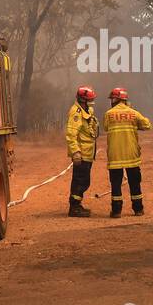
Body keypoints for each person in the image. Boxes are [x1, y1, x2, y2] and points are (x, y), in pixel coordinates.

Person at [103, 87, 151, 217]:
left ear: (117, 99)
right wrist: (135, 124)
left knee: (116, 184)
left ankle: (116, 211)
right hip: (131, 155)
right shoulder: (133, 113)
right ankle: (138, 209)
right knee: (135, 183)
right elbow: (147, 125)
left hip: (115, 155)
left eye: (112, 98)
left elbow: (106, 127)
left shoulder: (108, 114)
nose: (111, 101)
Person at [66, 86, 99, 217]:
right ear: (82, 100)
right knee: (80, 180)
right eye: (90, 100)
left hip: (88, 153)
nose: (92, 102)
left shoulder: (87, 110)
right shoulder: (76, 112)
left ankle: (77, 205)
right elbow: (71, 134)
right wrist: (75, 152)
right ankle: (74, 207)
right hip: (82, 154)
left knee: (84, 180)